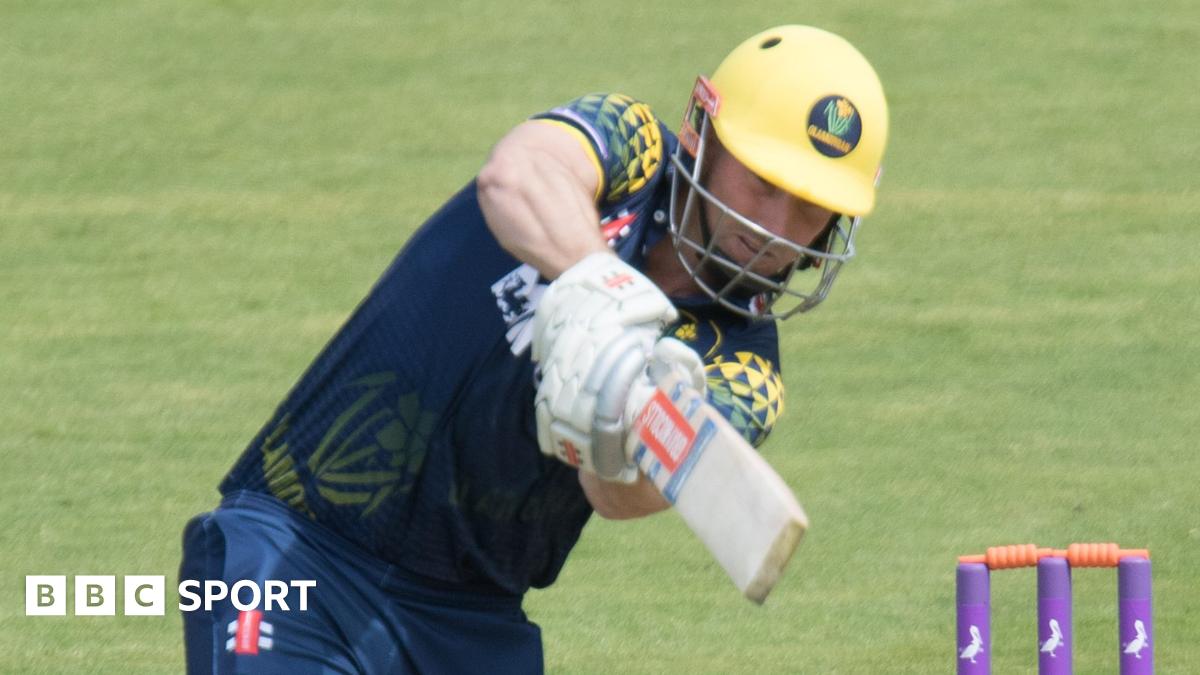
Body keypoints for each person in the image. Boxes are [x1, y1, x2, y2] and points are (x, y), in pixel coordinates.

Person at [180, 24, 889, 674]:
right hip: (299, 549)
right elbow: (517, 175)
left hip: (472, 629)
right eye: (764, 183)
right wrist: (601, 298)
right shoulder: (630, 144)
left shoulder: (745, 370)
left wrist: (615, 417)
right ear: (702, 128)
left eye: (808, 205)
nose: (774, 226)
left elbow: (620, 495)